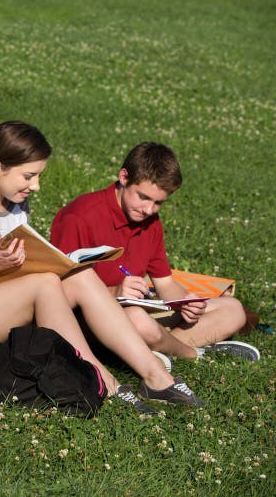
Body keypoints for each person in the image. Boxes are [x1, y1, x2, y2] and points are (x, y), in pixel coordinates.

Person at [0, 121, 205, 413]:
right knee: (44, 284)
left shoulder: (16, 206)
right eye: (29, 176)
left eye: (38, 176)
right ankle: (105, 382)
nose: (36, 186)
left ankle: (156, 377)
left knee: (80, 275)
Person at [50, 142, 258, 363]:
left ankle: (160, 349)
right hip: (91, 320)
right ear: (123, 177)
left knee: (233, 309)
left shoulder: (150, 222)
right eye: (143, 197)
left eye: (158, 203)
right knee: (138, 320)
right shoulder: (80, 217)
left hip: (139, 312)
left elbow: (165, 284)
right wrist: (114, 292)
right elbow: (59, 294)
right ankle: (193, 354)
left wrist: (186, 303)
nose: (149, 210)